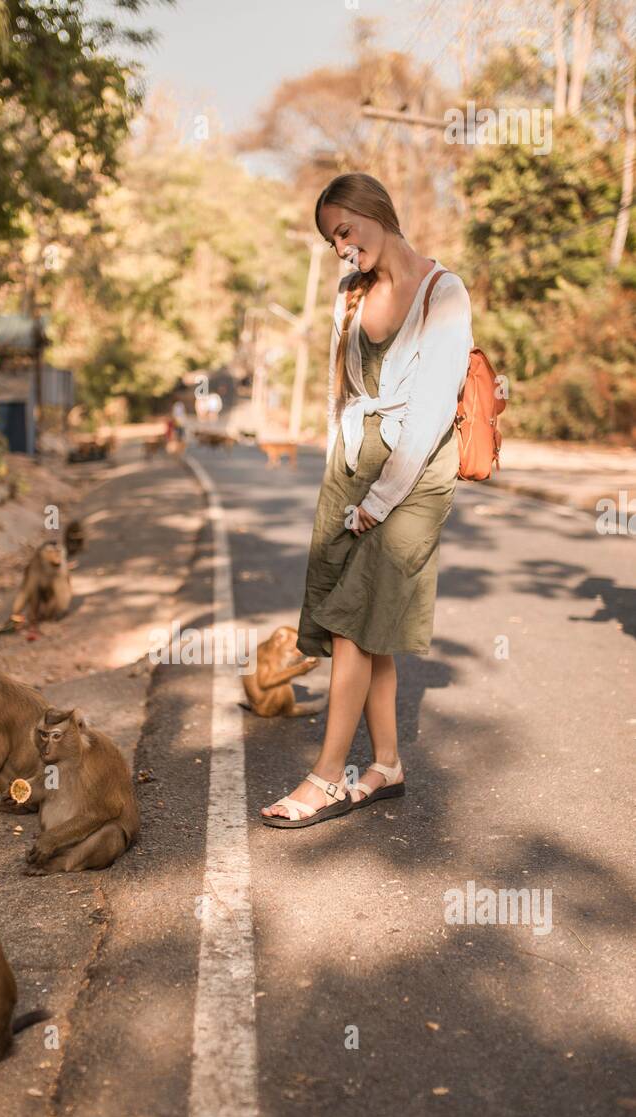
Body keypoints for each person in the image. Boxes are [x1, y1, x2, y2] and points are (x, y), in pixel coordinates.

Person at [261, 172, 472, 827]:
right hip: (353, 465)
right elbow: (345, 391)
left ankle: (326, 778)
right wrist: (340, 465)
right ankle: (385, 765)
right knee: (364, 625)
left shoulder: (444, 292)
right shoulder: (348, 292)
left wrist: (378, 500)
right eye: (331, 240)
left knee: (353, 622)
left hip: (412, 474)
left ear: (375, 211)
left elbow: (434, 406)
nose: (341, 247)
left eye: (345, 230)